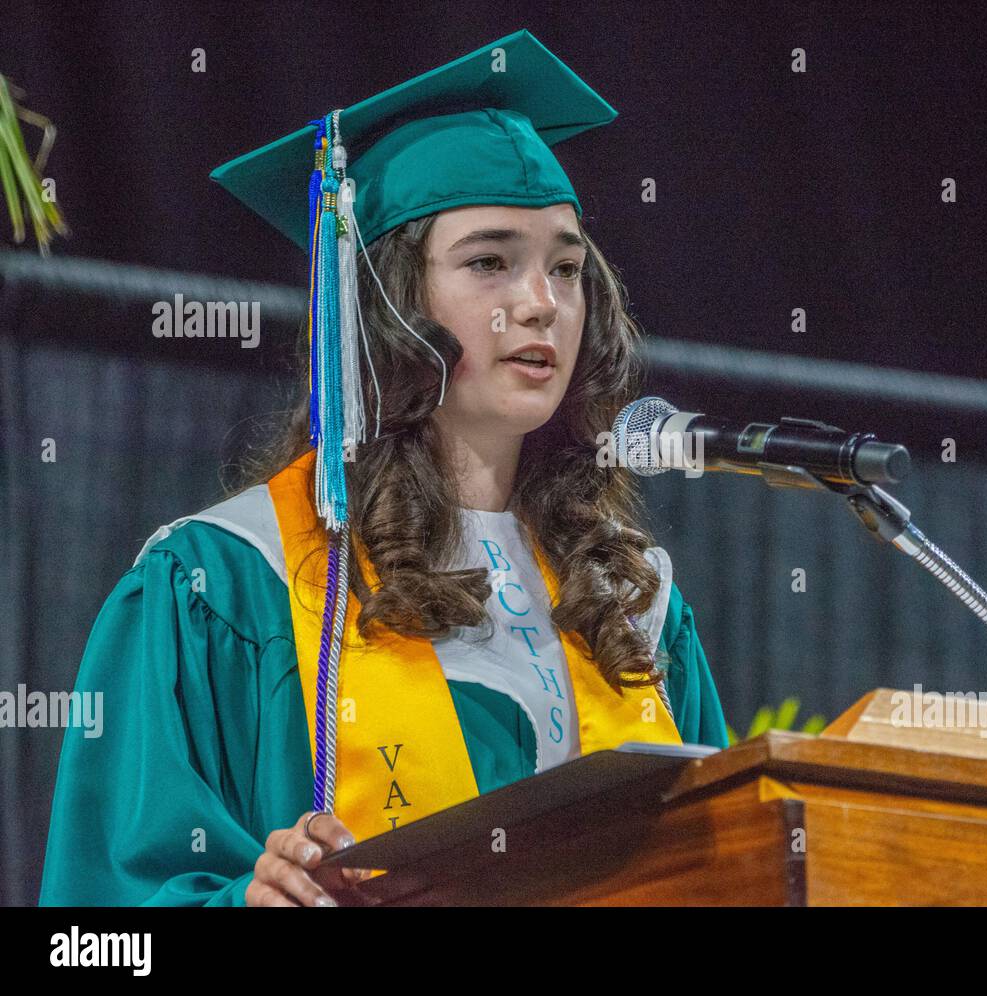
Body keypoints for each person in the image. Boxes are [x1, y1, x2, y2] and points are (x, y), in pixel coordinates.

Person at [39, 29, 728, 908]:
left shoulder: (634, 602)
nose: (542, 303)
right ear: (389, 306)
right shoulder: (225, 583)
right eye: (489, 262)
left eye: (566, 265)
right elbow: (94, 936)